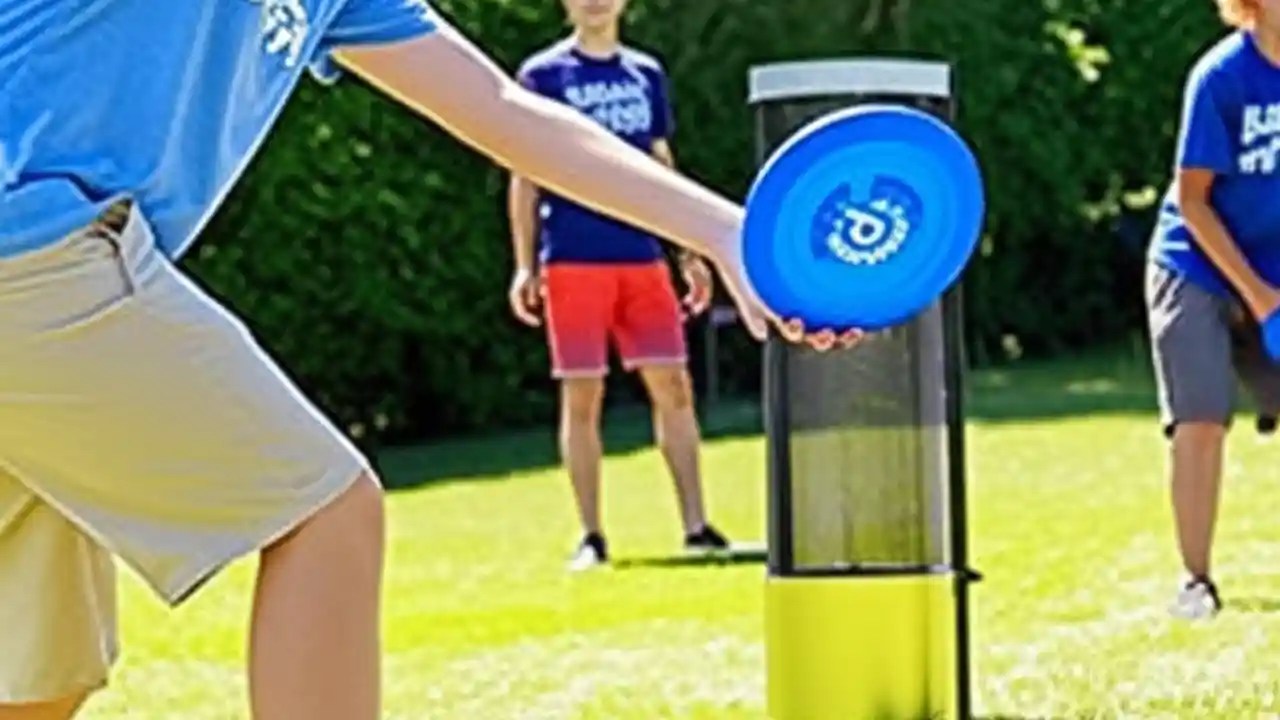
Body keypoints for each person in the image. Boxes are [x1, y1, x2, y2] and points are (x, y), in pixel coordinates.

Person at [0, 1, 857, 718]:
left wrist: (724, 230)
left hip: (49, 294)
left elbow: (501, 110)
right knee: (324, 516)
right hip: (34, 253)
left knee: (37, 669)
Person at [507, 0, 731, 570]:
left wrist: (690, 247)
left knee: (674, 389)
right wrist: (524, 263)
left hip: (641, 256)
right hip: (573, 261)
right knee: (583, 395)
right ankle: (592, 536)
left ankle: (697, 526)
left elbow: (660, 165)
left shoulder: (645, 74)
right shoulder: (543, 75)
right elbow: (525, 174)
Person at [1145, 0, 1280, 620]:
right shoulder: (1221, 77)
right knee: (1201, 417)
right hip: (1196, 262)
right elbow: (1193, 201)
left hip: (1272, 267)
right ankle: (1195, 581)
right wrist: (1257, 297)